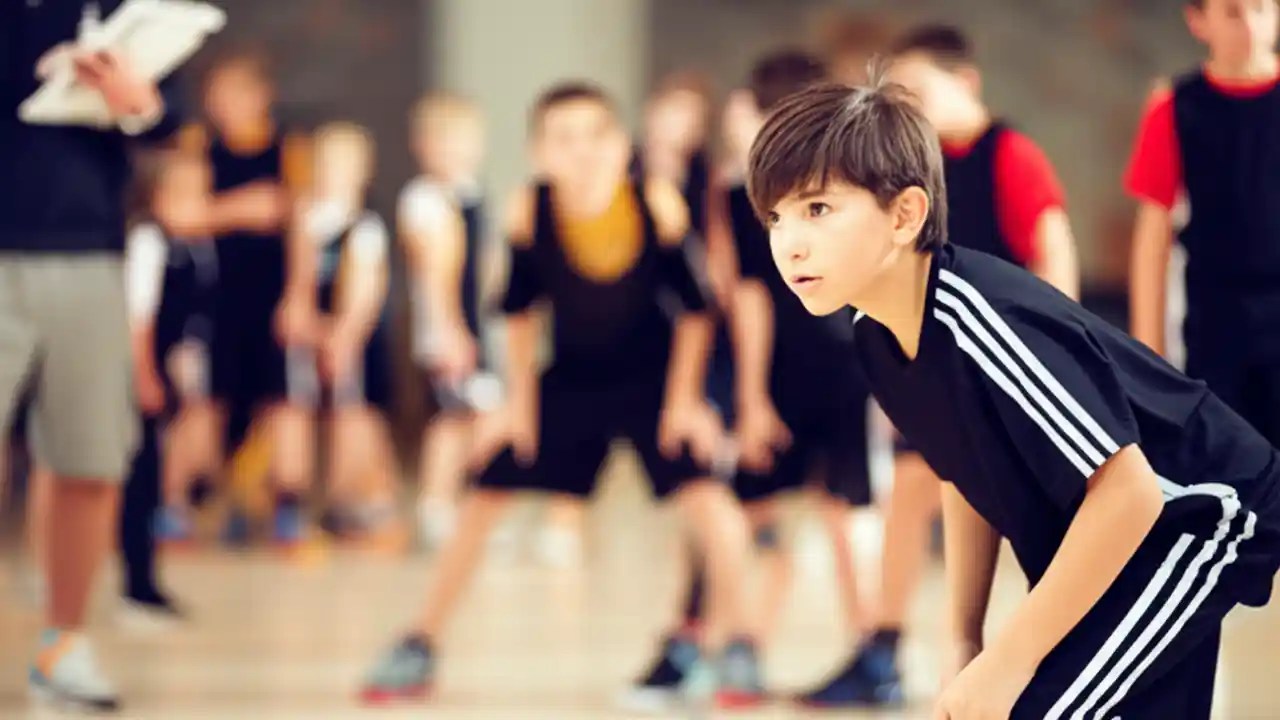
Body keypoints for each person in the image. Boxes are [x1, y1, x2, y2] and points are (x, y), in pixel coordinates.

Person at [748, 78, 1280, 720]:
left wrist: (1008, 659)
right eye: (775, 217)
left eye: (817, 209)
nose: (790, 242)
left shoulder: (981, 317)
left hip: (1196, 512)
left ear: (905, 215)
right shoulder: (877, 335)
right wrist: (966, 638)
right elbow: (962, 472)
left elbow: (1130, 492)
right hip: (1116, 531)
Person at [359, 82, 758, 706]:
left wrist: (684, 400)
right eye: (563, 139)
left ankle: (738, 649)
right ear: (539, 151)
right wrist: (518, 406)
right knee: (486, 491)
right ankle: (420, 642)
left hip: (653, 381)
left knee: (711, 502)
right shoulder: (531, 208)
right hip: (570, 380)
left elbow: (696, 312)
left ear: (620, 143)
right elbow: (518, 313)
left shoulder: (653, 203)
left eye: (596, 136)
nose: (583, 151)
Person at [784, 24, 1085, 708]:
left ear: (966, 82)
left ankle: (960, 649)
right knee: (918, 493)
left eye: (919, 91)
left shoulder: (1010, 154)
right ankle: (890, 649)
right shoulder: (915, 172)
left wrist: (1052, 361)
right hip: (947, 364)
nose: (909, 105)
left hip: (1009, 366)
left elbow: (1053, 251)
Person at [622, 50, 878, 712]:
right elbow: (745, 300)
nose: (732, 118)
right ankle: (742, 646)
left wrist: (751, 396)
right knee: (761, 512)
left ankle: (870, 651)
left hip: (822, 370)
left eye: (744, 107)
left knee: (832, 513)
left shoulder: (789, 193)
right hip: (791, 371)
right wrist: (751, 395)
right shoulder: (742, 194)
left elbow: (757, 299)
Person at [1, 1, 185, 710]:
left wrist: (135, 103)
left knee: (89, 459)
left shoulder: (115, 10)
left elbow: (169, 118)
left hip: (89, 253)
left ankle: (62, 645)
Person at [1127, 0, 1280, 447]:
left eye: (1262, 10)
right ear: (1198, 21)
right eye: (1233, 12)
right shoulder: (1175, 108)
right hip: (1218, 324)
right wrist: (1147, 360)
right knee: (1231, 470)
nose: (1250, 26)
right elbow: (1153, 238)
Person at [185, 49, 310, 546]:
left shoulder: (288, 150)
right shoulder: (201, 148)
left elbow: (299, 224)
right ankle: (220, 502)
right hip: (216, 297)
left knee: (282, 400)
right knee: (212, 401)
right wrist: (242, 208)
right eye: (216, 94)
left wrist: (299, 295)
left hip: (272, 292)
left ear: (262, 95)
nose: (225, 103)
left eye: (236, 91)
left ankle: (287, 505)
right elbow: (183, 214)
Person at [117, 149, 219, 627]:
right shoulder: (148, 241)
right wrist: (145, 375)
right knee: (138, 479)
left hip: (170, 374)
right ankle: (136, 587)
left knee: (154, 478)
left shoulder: (193, 245)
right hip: (142, 375)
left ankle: (147, 580)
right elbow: (138, 316)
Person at [293, 121, 400, 542]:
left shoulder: (365, 227)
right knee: (319, 415)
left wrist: (343, 337)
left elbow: (365, 292)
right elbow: (299, 282)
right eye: (326, 163)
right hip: (317, 334)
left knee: (357, 417)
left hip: (354, 339)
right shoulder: (307, 220)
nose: (332, 173)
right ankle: (328, 500)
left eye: (343, 165)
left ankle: (369, 499)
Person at [399, 93, 491, 549]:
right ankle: (435, 508)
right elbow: (436, 271)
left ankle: (468, 511)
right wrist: (451, 330)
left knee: (476, 420)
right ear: (424, 145)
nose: (457, 151)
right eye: (446, 141)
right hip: (447, 330)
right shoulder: (425, 200)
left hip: (473, 324)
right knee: (453, 419)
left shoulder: (471, 193)